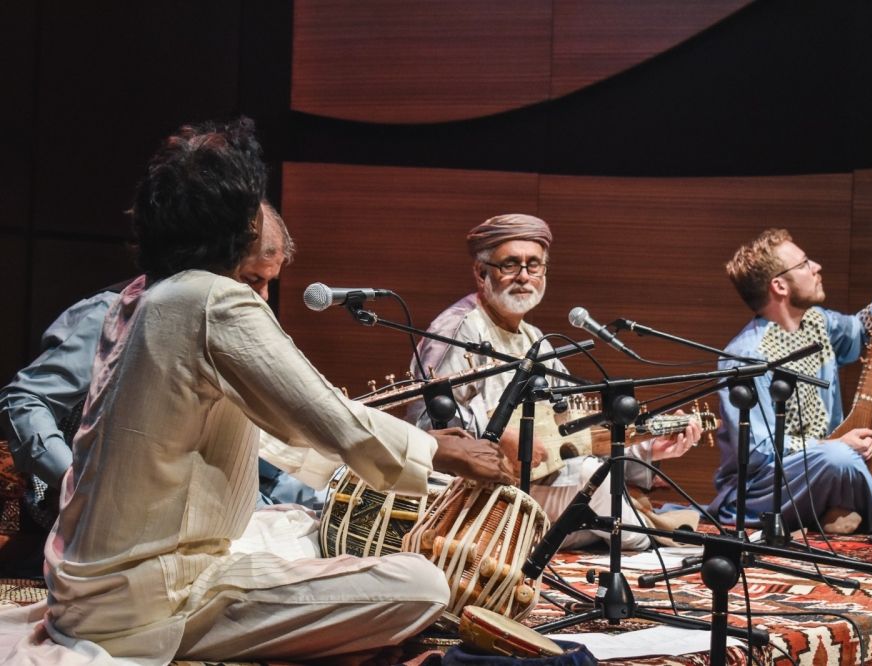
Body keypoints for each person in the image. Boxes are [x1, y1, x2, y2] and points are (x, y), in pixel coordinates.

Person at [0, 118, 511, 664]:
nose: (263, 293)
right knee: (422, 585)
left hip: (84, 588)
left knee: (294, 524)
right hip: (150, 604)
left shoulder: (139, 297)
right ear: (232, 226)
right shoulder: (211, 298)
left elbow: (272, 432)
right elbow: (322, 415)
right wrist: (439, 452)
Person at [0, 203, 322, 542]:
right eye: (253, 280)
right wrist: (73, 479)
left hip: (207, 516)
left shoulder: (228, 330)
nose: (263, 297)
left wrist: (328, 497)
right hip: (100, 526)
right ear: (210, 262)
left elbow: (256, 460)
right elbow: (24, 399)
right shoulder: (115, 314)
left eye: (269, 282)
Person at [407, 213, 701, 551]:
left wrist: (647, 448)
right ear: (481, 272)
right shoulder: (460, 329)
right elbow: (424, 422)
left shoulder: (536, 339)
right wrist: (498, 435)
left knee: (601, 486)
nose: (524, 276)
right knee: (603, 494)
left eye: (534, 265)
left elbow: (570, 434)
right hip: (470, 494)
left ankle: (543, 539)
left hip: (534, 484)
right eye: (510, 265)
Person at [708, 228, 872, 535]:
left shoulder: (818, 322)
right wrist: (834, 445)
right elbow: (761, 451)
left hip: (834, 461)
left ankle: (841, 508)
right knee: (839, 459)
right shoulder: (745, 356)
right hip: (769, 485)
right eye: (804, 264)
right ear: (779, 285)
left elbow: (862, 330)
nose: (816, 267)